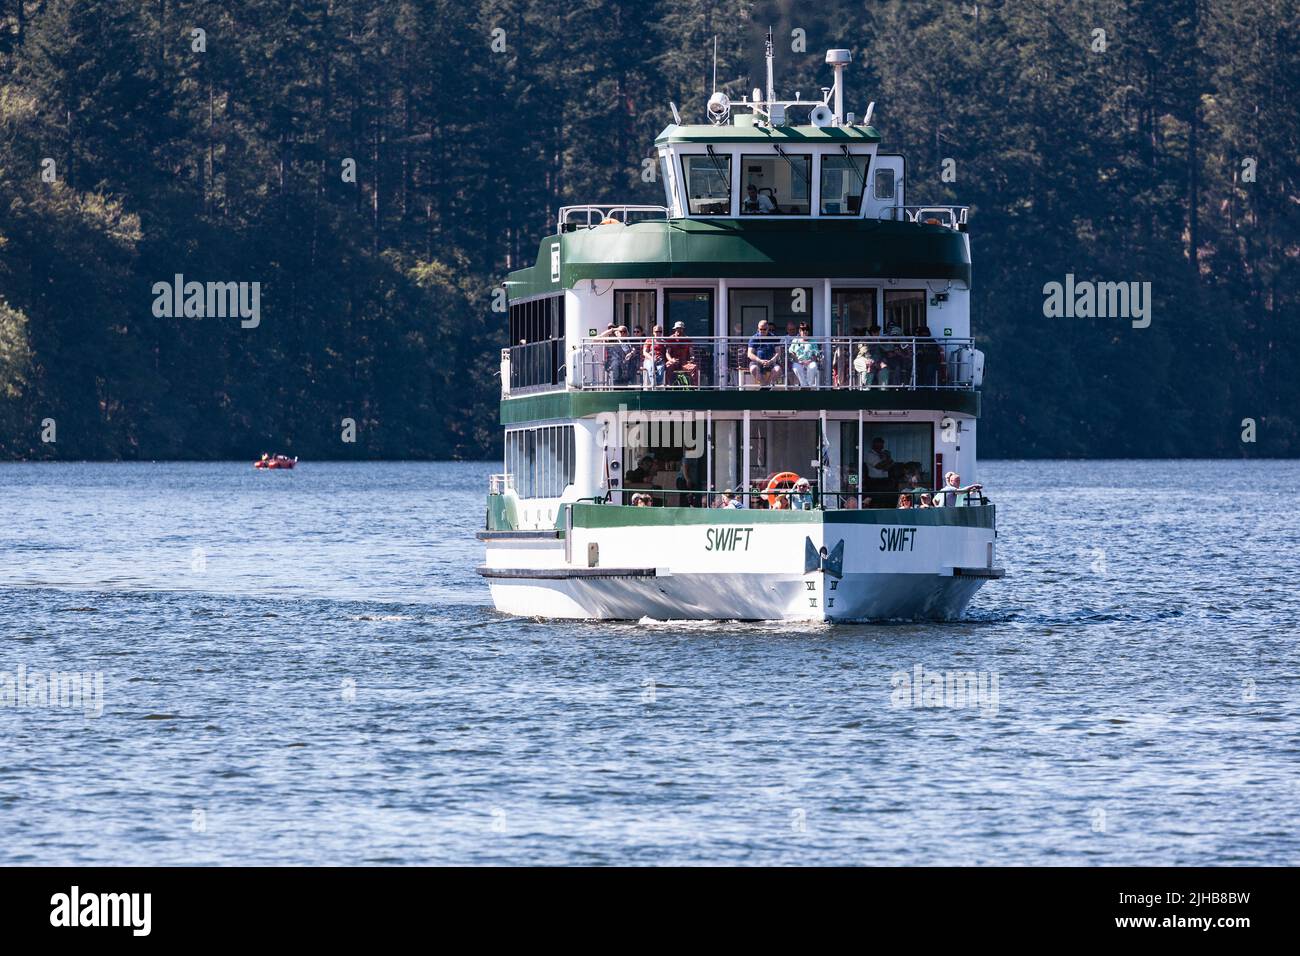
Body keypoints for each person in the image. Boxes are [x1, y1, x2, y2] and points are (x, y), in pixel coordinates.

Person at [747, 319, 780, 387]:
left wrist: (771, 361)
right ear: (758, 329)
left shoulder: (774, 338)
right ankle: (765, 385)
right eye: (760, 329)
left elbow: (778, 353)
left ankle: (766, 386)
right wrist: (760, 361)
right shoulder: (754, 338)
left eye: (764, 329)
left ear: (768, 329)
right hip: (757, 362)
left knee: (778, 369)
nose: (762, 331)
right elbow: (749, 354)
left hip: (771, 362)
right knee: (753, 369)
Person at [665, 321, 699, 387]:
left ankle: (694, 387)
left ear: (683, 329)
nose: (679, 330)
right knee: (668, 366)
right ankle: (669, 386)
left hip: (684, 362)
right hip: (674, 361)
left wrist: (692, 359)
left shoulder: (687, 339)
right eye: (677, 328)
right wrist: (671, 360)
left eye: (680, 328)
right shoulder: (670, 339)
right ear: (675, 329)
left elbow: (691, 353)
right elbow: (667, 353)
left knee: (694, 368)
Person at [789, 323, 821, 387]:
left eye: (807, 329)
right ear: (800, 331)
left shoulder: (813, 341)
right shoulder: (795, 340)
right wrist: (798, 361)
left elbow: (816, 354)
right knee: (796, 367)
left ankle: (809, 385)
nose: (805, 331)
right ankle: (804, 385)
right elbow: (791, 353)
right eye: (803, 329)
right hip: (798, 361)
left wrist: (809, 361)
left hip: (810, 361)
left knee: (813, 366)